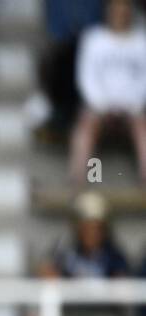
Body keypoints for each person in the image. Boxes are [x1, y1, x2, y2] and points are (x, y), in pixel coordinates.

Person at [70, 0, 146, 184]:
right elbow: (86, 77)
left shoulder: (141, 41)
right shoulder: (94, 39)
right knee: (85, 127)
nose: (120, 14)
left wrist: (132, 104)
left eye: (124, 10)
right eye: (116, 10)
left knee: (142, 129)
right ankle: (78, 181)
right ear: (108, 13)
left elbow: (144, 79)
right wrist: (101, 104)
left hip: (133, 107)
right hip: (100, 106)